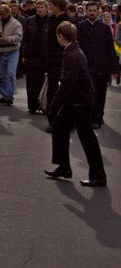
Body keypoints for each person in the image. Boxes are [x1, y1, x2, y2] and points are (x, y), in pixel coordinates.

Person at [45, 20, 107, 187]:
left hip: (79, 102)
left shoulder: (71, 54)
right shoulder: (74, 50)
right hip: (77, 100)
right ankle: (63, 166)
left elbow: (67, 83)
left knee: (87, 138)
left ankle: (98, 176)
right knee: (60, 129)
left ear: (61, 36)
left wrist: (54, 105)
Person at [78, 2, 117, 128]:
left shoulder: (104, 28)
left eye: (94, 10)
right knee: (89, 92)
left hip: (102, 66)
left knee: (101, 93)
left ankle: (99, 115)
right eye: (89, 10)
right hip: (87, 66)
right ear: (86, 11)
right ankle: (92, 117)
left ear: (98, 11)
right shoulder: (81, 27)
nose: (92, 13)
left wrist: (114, 69)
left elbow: (110, 49)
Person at [0, 3, 23, 106]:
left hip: (13, 50)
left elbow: (19, 37)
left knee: (11, 73)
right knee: (1, 75)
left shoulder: (16, 24)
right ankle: (4, 94)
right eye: (0, 14)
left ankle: (10, 95)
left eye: (3, 14)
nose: (1, 16)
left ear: (8, 13)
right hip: (0, 51)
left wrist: (7, 39)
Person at [22, 0, 49, 113]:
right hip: (32, 55)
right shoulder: (30, 20)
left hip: (45, 56)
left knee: (43, 82)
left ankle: (43, 104)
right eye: (38, 7)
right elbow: (25, 38)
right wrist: (24, 54)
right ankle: (32, 105)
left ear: (47, 9)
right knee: (31, 82)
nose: (40, 10)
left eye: (42, 7)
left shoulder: (50, 21)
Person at [46, 0, 69, 120]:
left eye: (51, 5)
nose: (49, 7)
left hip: (65, 59)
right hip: (52, 59)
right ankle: (52, 117)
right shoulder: (50, 19)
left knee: (65, 89)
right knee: (52, 88)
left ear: (58, 5)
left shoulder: (68, 21)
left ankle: (66, 117)